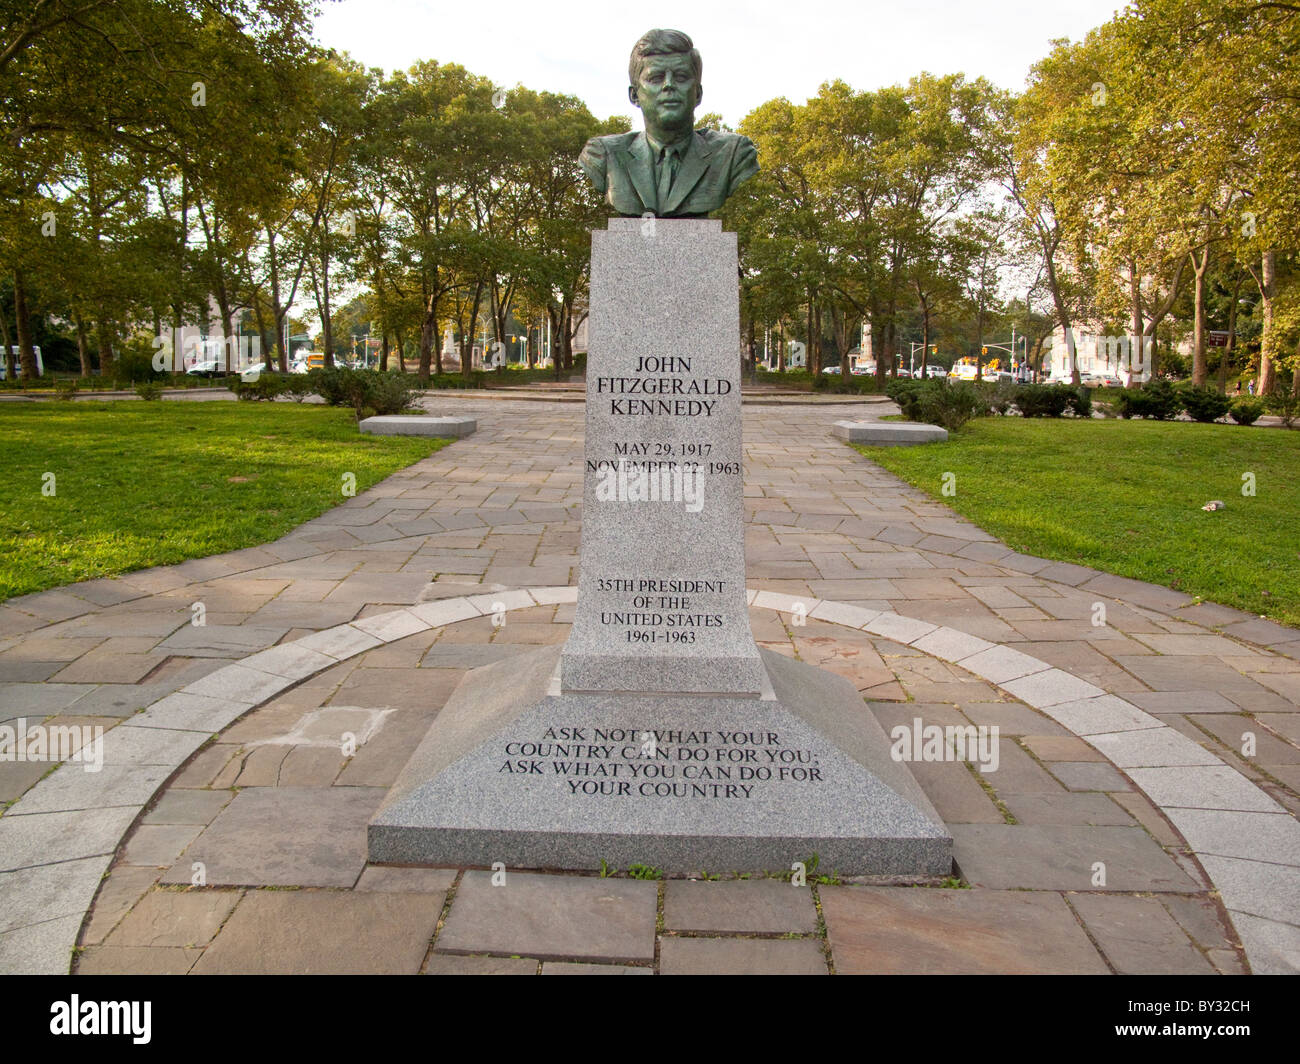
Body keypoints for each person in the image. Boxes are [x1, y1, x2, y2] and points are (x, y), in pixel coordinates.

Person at [579, 29, 759, 218]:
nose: (668, 85)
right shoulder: (604, 155)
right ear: (634, 95)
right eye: (656, 78)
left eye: (681, 77)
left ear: (697, 93)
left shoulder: (733, 154)